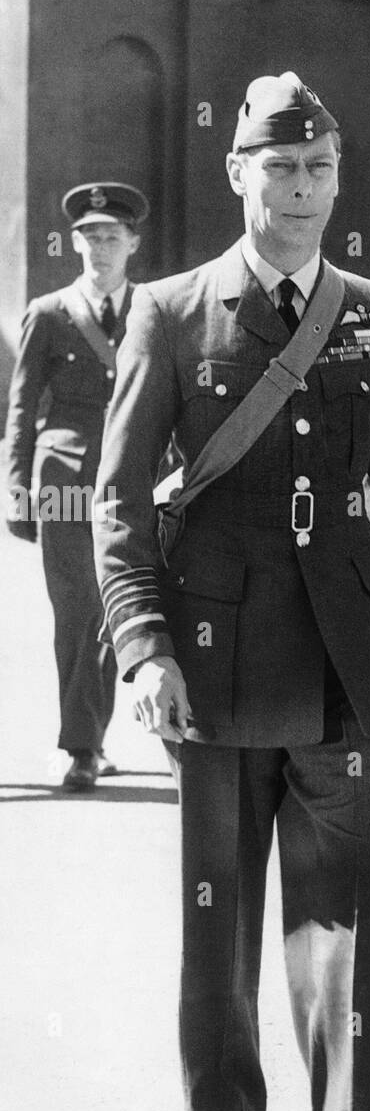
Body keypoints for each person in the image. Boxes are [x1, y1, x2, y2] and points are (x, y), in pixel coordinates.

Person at [93, 73, 370, 1111]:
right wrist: (145, 649)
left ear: (340, 179)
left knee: (347, 905)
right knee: (223, 900)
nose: (301, 189)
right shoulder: (171, 310)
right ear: (237, 172)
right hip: (216, 652)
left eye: (320, 169)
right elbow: (119, 499)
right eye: (279, 168)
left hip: (350, 657)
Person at [3, 183, 148, 791]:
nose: (100, 248)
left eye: (112, 236)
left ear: (133, 244)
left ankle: (104, 732)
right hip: (63, 485)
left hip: (135, 482)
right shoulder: (49, 312)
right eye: (90, 236)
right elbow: (21, 405)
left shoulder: (154, 309)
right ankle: (80, 745)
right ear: (74, 243)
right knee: (76, 610)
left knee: (126, 609)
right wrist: (16, 486)